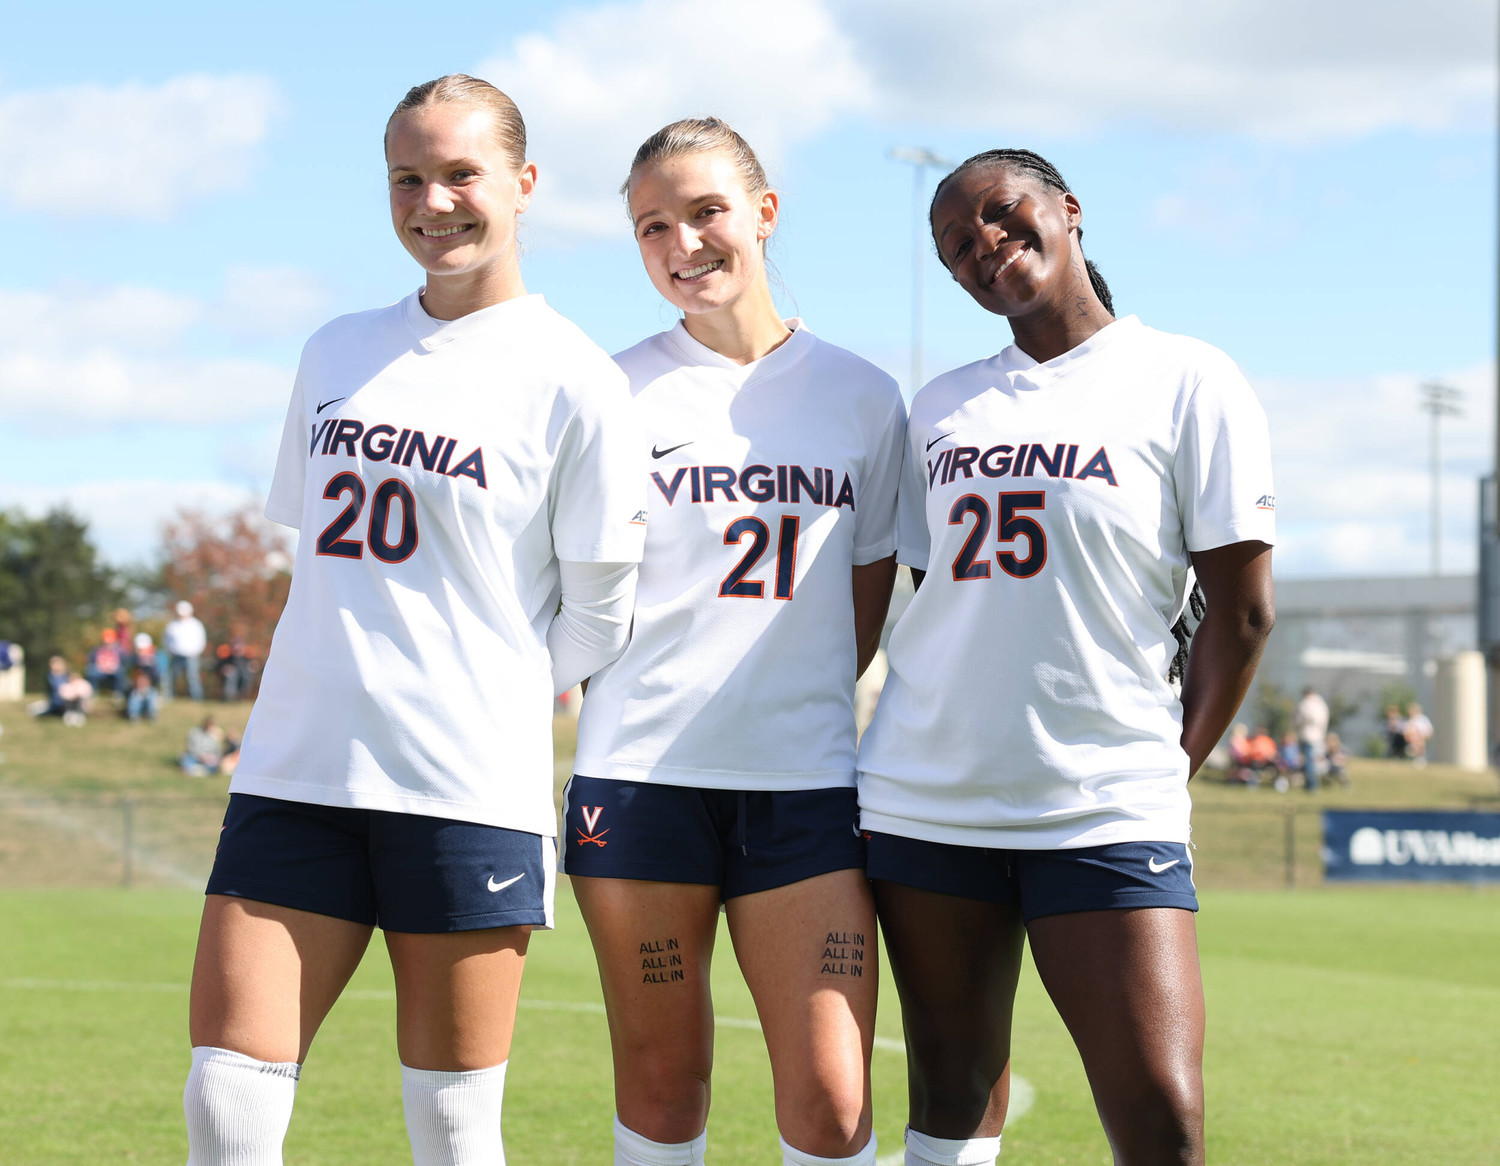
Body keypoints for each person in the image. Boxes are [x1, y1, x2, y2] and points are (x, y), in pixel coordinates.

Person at [183, 74, 647, 1166]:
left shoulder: (575, 378)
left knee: (449, 1125)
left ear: (524, 185)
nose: (431, 201)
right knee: (224, 1097)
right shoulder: (336, 349)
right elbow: (325, 566)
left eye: (459, 174)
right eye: (407, 176)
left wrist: (486, 693)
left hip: (462, 789)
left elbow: (600, 612)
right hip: (296, 774)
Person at [856, 149, 1276, 1166]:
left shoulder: (1189, 377)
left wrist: (1170, 762)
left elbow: (1244, 610)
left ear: (1068, 209)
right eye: (958, 243)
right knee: (950, 1093)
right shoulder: (938, 408)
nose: (984, 244)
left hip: (1105, 800)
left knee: (1164, 1118)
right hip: (929, 796)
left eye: (1002, 215)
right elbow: (929, 593)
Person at [565, 118, 906, 1166]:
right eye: (651, 225)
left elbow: (867, 595)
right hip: (638, 783)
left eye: (706, 210)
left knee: (834, 1102)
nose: (684, 242)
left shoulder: (862, 395)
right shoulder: (606, 391)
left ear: (763, 211)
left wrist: (784, 702)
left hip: (804, 788)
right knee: (665, 1088)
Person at [163, 600, 207, 701]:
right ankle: (169, 697)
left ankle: (197, 698)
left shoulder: (196, 624)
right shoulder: (172, 624)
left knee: (193, 678)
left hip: (191, 655)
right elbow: (166, 640)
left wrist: (195, 652)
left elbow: (201, 640)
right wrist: (170, 651)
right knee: (172, 677)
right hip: (176, 655)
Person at [1295, 685, 1329, 792]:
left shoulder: (1305, 704)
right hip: (1319, 736)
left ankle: (1310, 785)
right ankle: (1314, 784)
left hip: (1307, 735)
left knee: (1308, 762)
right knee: (1316, 761)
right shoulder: (1322, 704)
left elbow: (1299, 721)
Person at [1403, 702, 1433, 766]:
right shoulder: (1411, 720)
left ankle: (1419, 759)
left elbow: (1428, 730)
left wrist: (1420, 736)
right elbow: (1407, 731)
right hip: (1414, 738)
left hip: (1421, 737)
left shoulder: (1422, 719)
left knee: (1419, 745)